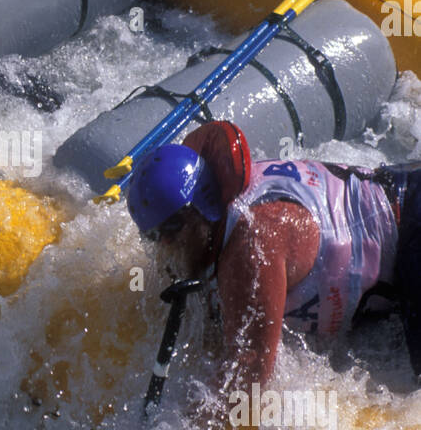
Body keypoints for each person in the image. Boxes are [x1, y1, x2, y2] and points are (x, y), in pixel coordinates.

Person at [125, 120, 421, 396]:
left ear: (204, 207)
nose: (164, 243)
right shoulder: (208, 226)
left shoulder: (253, 244)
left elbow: (249, 376)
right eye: (152, 235)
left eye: (172, 228)